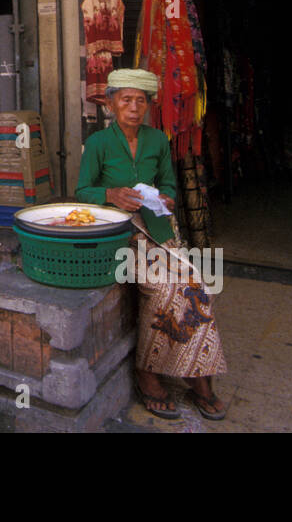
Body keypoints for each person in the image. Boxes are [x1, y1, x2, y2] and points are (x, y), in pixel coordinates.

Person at [75, 68, 228, 421]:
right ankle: (148, 372)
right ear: (111, 104)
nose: (133, 108)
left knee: (197, 285)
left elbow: (169, 185)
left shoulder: (158, 140)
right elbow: (82, 191)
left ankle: (197, 373)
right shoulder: (98, 143)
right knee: (162, 288)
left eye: (140, 101)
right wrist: (110, 194)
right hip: (119, 233)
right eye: (126, 100)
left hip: (157, 229)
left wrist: (167, 198)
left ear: (148, 106)